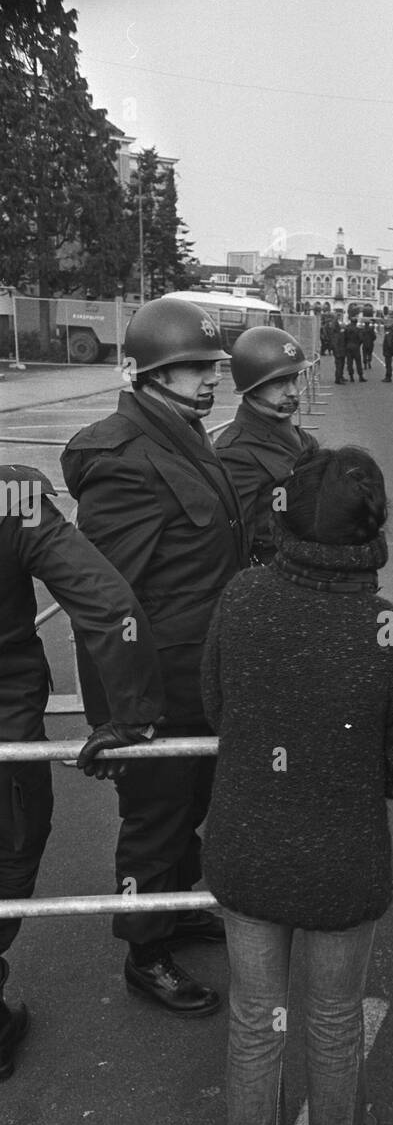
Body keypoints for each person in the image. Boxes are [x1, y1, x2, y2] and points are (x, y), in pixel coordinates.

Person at [200, 446, 393, 1125]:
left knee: (253, 1013)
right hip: (342, 855)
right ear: (372, 531)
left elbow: (217, 708)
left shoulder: (241, 598)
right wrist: (345, 767)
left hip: (245, 844)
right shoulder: (386, 629)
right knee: (335, 1014)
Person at [61, 296, 247, 1017]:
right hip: (157, 684)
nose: (209, 380)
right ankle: (145, 949)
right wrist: (123, 714)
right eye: (192, 369)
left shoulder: (184, 432)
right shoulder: (124, 457)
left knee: (192, 800)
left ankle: (173, 907)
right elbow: (104, 602)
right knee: (155, 816)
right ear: (148, 374)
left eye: (210, 366)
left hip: (201, 672)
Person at [0, 464, 165, 1078]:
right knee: (9, 855)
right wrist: (131, 713)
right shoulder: (9, 495)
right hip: (5, 737)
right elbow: (107, 600)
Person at [216, 327, 318, 565]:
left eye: (294, 379)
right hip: (272, 576)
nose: (293, 392)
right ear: (253, 384)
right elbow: (232, 543)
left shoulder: (303, 440)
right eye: (280, 383)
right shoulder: (235, 453)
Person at [344, 317, 365, 383]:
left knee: (349, 363)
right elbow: (361, 339)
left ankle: (351, 377)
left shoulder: (347, 329)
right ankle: (360, 376)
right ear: (356, 322)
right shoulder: (358, 330)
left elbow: (344, 338)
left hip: (348, 346)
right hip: (356, 347)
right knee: (358, 362)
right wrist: (358, 344)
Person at [331, 319, 347, 385]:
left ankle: (340, 377)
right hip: (339, 353)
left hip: (341, 352)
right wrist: (337, 353)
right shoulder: (337, 335)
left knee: (341, 365)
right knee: (339, 366)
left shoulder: (340, 334)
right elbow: (335, 345)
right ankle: (338, 379)